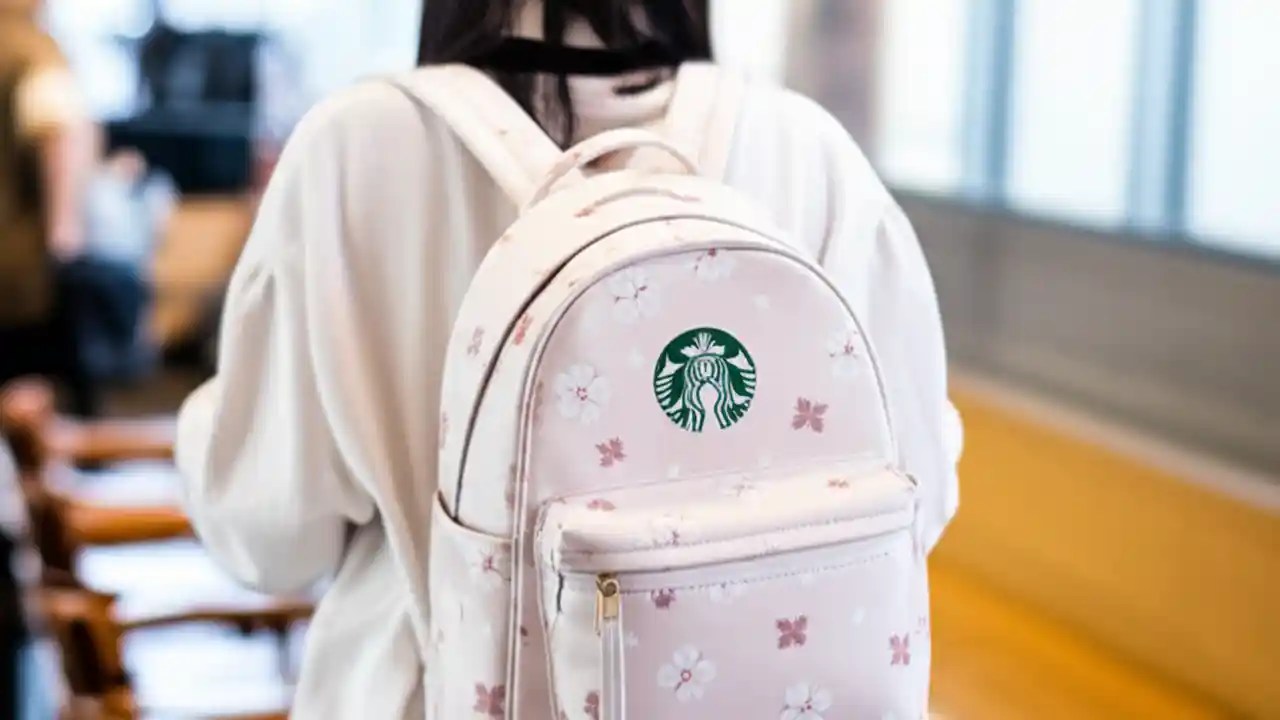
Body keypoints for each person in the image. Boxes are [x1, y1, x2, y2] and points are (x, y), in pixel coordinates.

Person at [176, 1, 963, 716]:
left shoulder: (353, 149)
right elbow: (912, 502)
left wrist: (207, 427)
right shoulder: (806, 149)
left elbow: (268, 534)